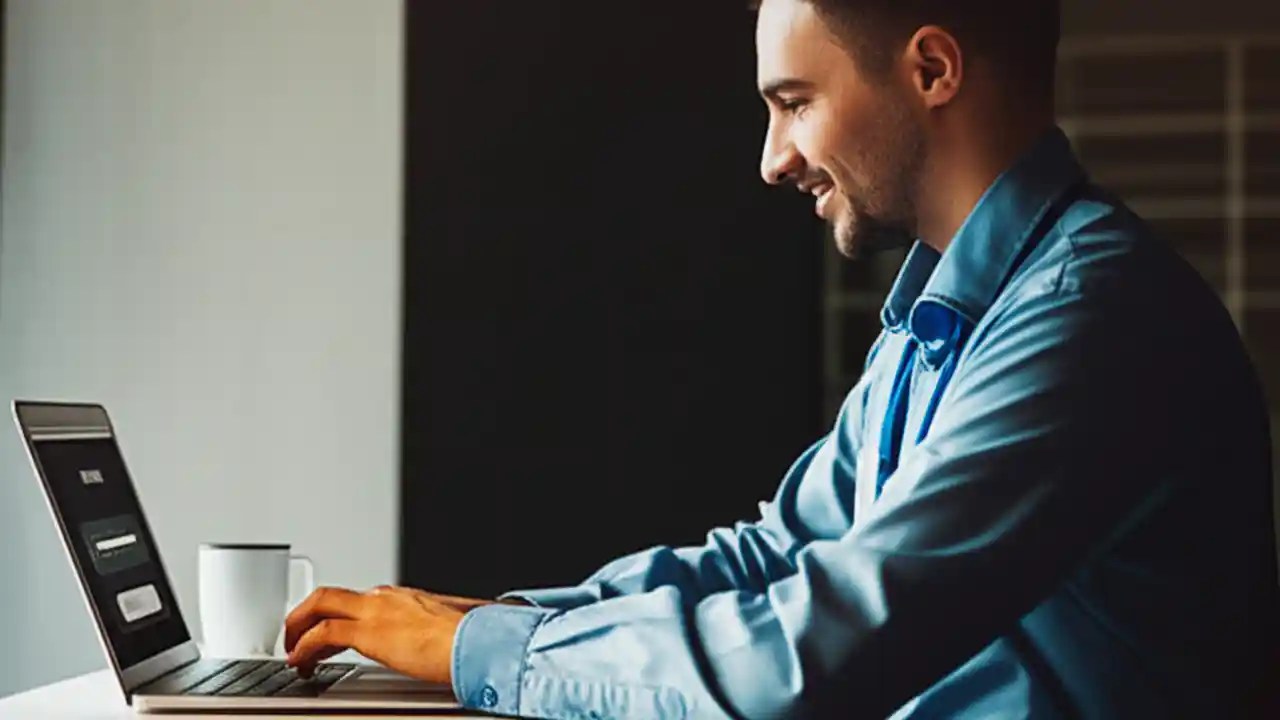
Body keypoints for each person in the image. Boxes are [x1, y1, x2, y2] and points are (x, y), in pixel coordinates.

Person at [283, 0, 1280, 717]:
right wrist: (497, 621)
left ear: (931, 70)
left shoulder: (1084, 316)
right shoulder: (953, 313)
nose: (771, 157)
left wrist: (479, 651)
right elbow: (779, 556)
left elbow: (813, 652)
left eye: (794, 101)